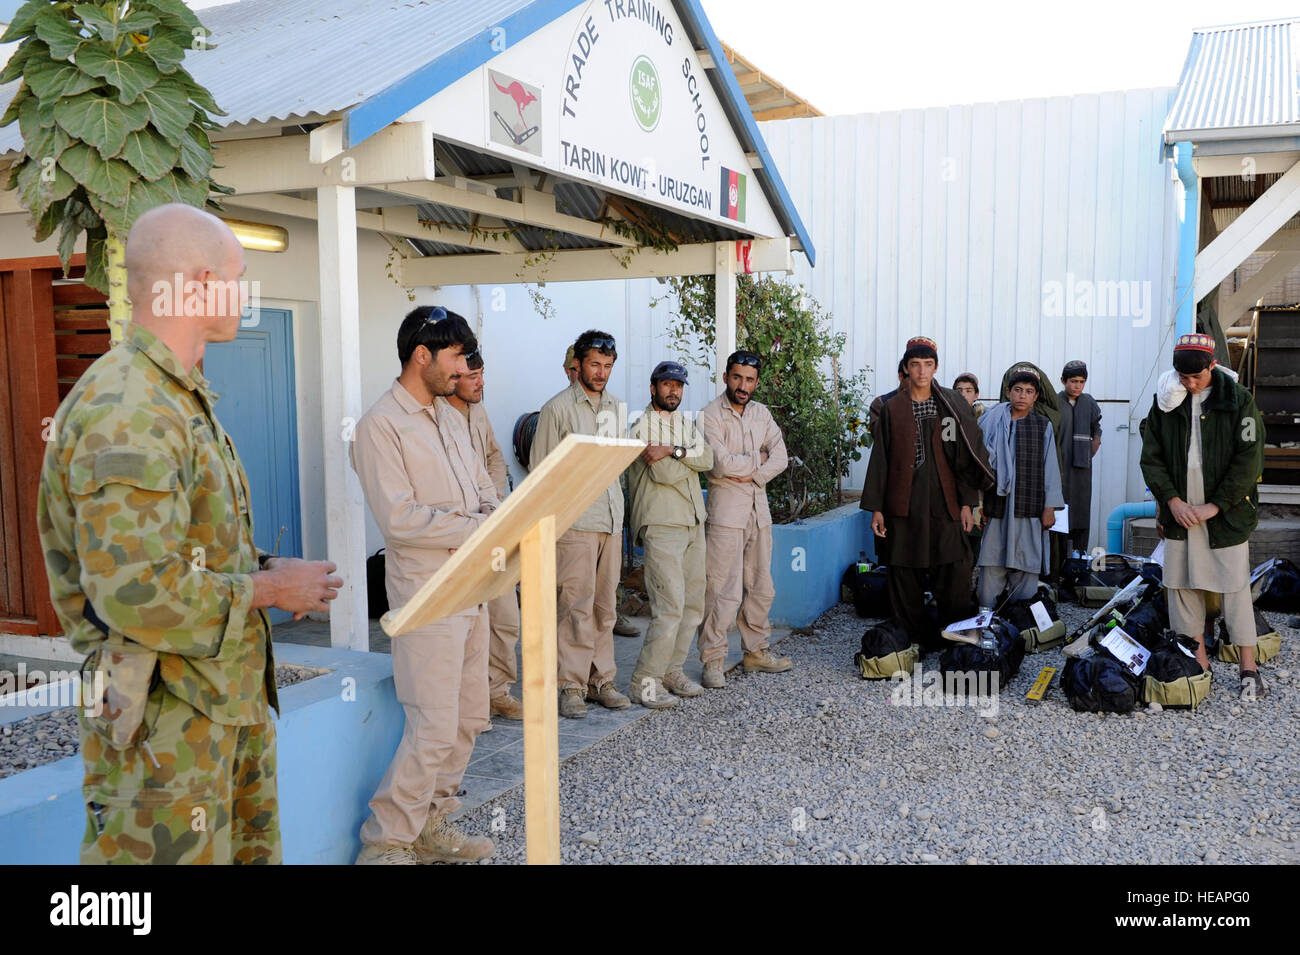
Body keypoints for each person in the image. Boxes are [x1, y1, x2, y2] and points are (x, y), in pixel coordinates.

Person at [36, 203, 341, 864]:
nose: (244, 295)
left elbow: (190, 545)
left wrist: (268, 569)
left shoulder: (176, 396)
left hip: (215, 710)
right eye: (238, 277)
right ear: (199, 284)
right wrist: (262, 589)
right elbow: (133, 589)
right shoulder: (130, 408)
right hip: (162, 733)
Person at [350, 305, 500, 864]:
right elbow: (401, 519)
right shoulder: (380, 426)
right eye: (457, 357)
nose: (464, 368)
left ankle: (432, 825)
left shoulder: (452, 416)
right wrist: (481, 527)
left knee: (466, 721)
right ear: (422, 356)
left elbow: (481, 487)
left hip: (473, 588)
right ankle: (385, 843)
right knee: (432, 726)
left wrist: (497, 517)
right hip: (427, 595)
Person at [1139, 333, 1266, 698]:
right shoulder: (1166, 402)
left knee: (1235, 587)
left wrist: (1216, 505)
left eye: (1196, 377)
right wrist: (1171, 501)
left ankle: (1248, 666)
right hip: (1180, 514)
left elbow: (1249, 460)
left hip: (1225, 515)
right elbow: (1152, 457)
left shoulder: (1239, 401)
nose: (1189, 384)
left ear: (1212, 366)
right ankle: (1197, 664)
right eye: (1183, 377)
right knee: (1180, 584)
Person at [861, 337, 993, 645]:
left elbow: (959, 456)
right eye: (916, 365)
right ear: (906, 368)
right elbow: (882, 458)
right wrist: (877, 508)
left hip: (943, 500)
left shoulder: (947, 406)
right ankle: (910, 639)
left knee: (953, 567)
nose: (922, 371)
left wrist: (966, 504)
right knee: (903, 570)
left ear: (936, 367)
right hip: (903, 503)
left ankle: (955, 637)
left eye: (928, 365)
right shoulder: (892, 408)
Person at [531, 330, 631, 718]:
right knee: (575, 608)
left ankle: (601, 680)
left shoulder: (616, 408)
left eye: (608, 366)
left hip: (610, 519)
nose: (601, 372)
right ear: (579, 364)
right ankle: (570, 686)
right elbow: (541, 472)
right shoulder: (556, 409)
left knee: (606, 608)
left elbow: (616, 467)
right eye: (595, 364)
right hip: (574, 523)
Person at [696, 349, 792, 687]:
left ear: (756, 382)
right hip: (726, 513)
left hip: (757, 508)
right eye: (737, 377)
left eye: (749, 379)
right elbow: (719, 464)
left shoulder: (762, 414)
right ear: (726, 377)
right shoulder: (709, 415)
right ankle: (713, 660)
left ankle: (755, 652)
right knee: (721, 588)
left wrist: (752, 473)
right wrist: (757, 458)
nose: (742, 385)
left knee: (761, 586)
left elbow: (779, 457)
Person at [625, 361, 714, 707]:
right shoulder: (640, 428)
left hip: (693, 521)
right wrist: (682, 459)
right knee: (669, 606)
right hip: (661, 525)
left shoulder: (684, 424)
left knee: (693, 604)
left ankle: (671, 671)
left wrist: (673, 450)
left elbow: (708, 459)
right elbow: (664, 474)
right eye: (667, 385)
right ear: (653, 388)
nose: (673, 391)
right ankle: (644, 682)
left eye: (678, 385)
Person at [441, 350, 522, 721]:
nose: (481, 383)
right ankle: (468, 705)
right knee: (466, 627)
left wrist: (490, 501)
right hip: (458, 535)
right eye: (473, 376)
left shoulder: (479, 412)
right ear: (454, 376)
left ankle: (497, 693)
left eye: (482, 374)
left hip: (493, 528)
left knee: (505, 617)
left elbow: (495, 458)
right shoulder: (437, 417)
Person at [977, 367, 1065, 608]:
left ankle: (1021, 619)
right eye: (1017, 390)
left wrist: (1050, 507)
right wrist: (979, 504)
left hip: (1029, 507)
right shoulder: (990, 421)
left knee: (1026, 563)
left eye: (1028, 391)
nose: (1022, 396)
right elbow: (978, 466)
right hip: (997, 504)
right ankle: (985, 617)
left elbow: (1051, 469)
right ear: (1008, 392)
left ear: (1036, 396)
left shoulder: (1042, 426)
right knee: (991, 562)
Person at [1057, 361, 1102, 554]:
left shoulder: (1088, 402)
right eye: (1073, 381)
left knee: (1081, 514)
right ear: (1063, 380)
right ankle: (1056, 566)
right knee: (1060, 516)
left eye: (1082, 382)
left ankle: (1079, 560)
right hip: (1059, 469)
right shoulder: (1055, 402)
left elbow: (1096, 429)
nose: (1077, 386)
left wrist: (1093, 444)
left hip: (1082, 469)